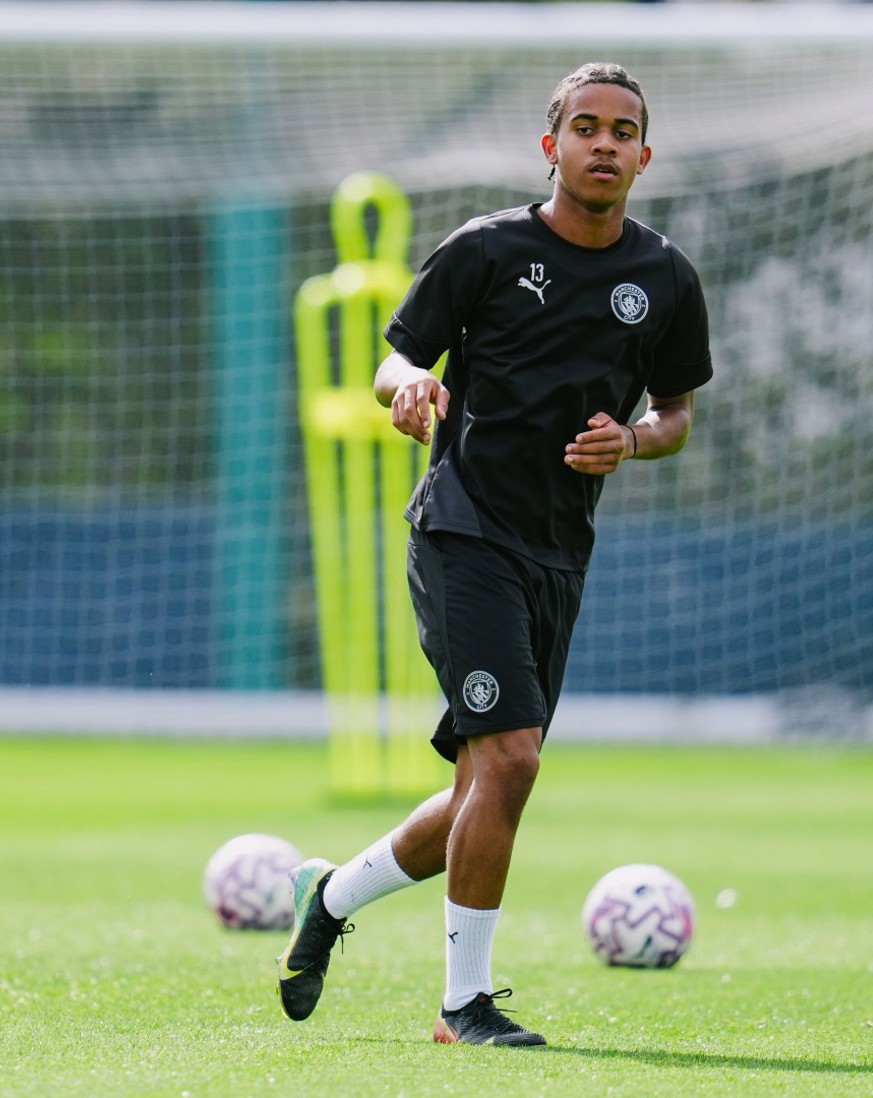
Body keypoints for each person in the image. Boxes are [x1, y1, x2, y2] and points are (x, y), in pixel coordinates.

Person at [277, 61, 714, 1048]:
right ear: (549, 143)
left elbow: (678, 413)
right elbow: (400, 352)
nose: (603, 144)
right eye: (584, 127)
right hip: (461, 527)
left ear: (643, 155)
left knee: (486, 780)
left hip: (559, 551)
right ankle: (461, 1005)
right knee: (509, 760)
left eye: (621, 131)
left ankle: (329, 897)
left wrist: (635, 440)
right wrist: (406, 389)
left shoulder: (664, 278)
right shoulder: (483, 249)